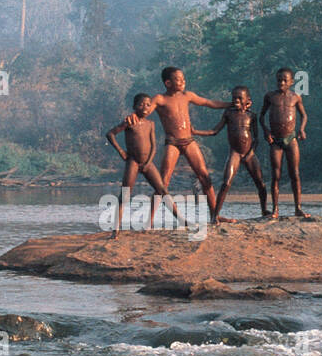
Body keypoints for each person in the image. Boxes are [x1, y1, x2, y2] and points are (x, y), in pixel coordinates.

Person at [147, 67, 228, 217]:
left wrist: (230, 104)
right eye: (178, 79)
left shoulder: (187, 96)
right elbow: (145, 111)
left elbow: (208, 103)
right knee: (163, 182)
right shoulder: (160, 99)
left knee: (205, 177)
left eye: (183, 78)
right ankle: (149, 220)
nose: (183, 81)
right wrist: (133, 118)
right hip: (172, 143)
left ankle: (215, 215)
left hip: (189, 141)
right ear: (168, 83)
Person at [105, 93, 186, 237]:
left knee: (162, 190)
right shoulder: (130, 122)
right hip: (133, 162)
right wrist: (121, 152)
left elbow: (154, 145)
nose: (145, 107)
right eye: (141, 104)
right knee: (125, 194)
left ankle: (181, 220)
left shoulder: (151, 124)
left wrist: (148, 162)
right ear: (134, 106)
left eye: (148, 105)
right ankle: (115, 230)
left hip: (148, 162)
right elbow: (110, 134)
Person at [193, 86, 268, 222]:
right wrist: (196, 132)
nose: (236, 100)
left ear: (247, 100)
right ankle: (215, 215)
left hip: (249, 153)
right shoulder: (229, 113)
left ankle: (264, 209)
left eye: (240, 98)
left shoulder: (252, 116)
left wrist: (250, 152)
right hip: (235, 153)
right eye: (234, 98)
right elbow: (214, 131)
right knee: (226, 183)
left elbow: (256, 138)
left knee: (260, 183)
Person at [259, 67, 310, 218]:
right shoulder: (270, 97)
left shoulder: (296, 97)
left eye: (284, 80)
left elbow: (304, 115)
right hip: (275, 141)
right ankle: (275, 210)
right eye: (279, 80)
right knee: (276, 175)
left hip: (291, 139)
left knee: (295, 173)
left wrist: (301, 129)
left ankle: (298, 208)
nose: (281, 83)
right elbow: (261, 116)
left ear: (291, 82)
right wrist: (266, 131)